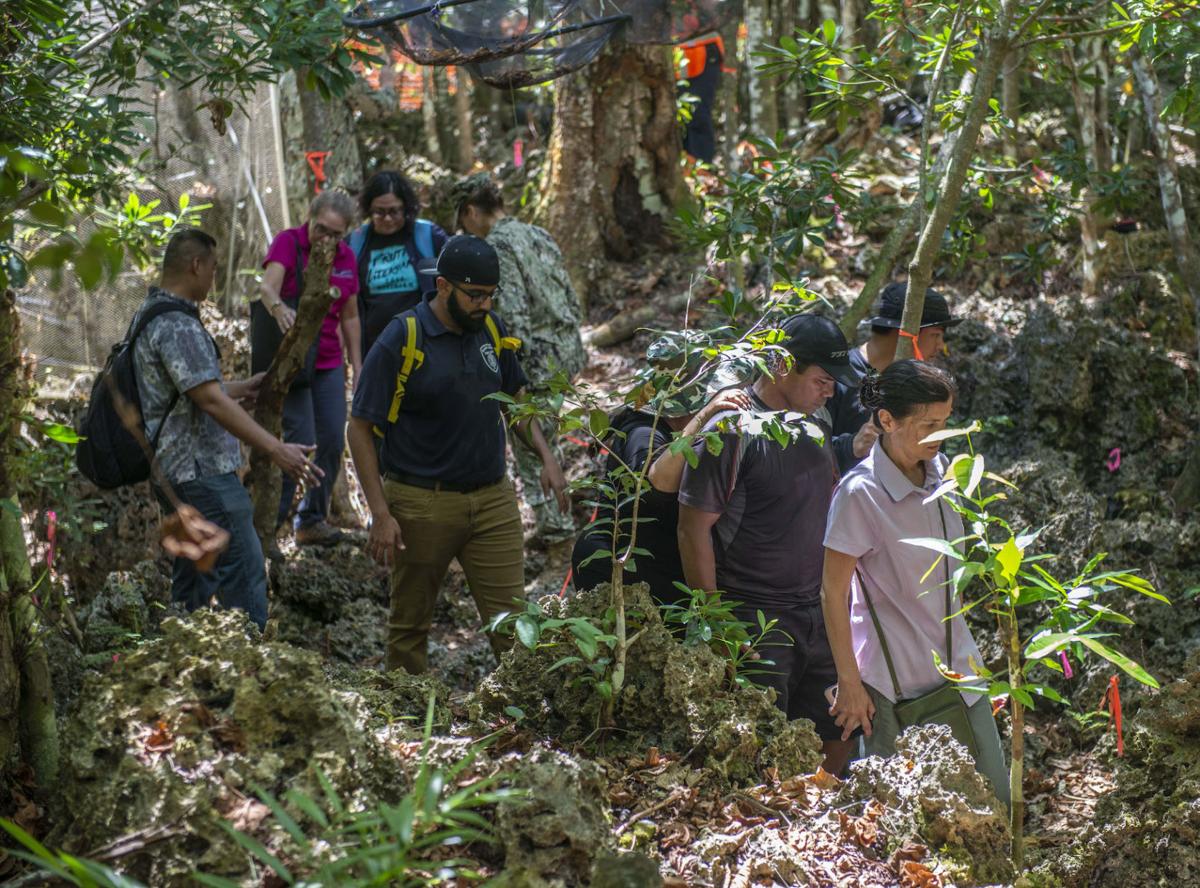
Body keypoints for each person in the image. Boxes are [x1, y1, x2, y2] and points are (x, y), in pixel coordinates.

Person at [347, 235, 569, 674]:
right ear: (443, 286)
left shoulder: (492, 330)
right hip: (419, 502)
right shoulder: (402, 337)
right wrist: (380, 513)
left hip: (493, 500)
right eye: (475, 295)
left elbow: (516, 398)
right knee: (410, 625)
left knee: (514, 622)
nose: (484, 304)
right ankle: (408, 716)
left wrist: (547, 457)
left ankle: (523, 715)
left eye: (490, 295)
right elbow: (359, 428)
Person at [821, 360, 1010, 807]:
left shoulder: (943, 471)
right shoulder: (858, 495)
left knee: (994, 802)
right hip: (891, 686)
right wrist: (849, 682)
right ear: (887, 420)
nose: (939, 435)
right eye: (929, 424)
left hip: (960, 671)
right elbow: (832, 592)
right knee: (899, 818)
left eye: (945, 423)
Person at [677, 314, 859, 773]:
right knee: (755, 751)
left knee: (838, 731)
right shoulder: (732, 429)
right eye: (821, 380)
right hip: (754, 618)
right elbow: (692, 528)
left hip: (817, 614)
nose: (830, 392)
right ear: (781, 366)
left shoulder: (815, 424)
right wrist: (716, 624)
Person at [133, 228, 322, 628]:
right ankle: (244, 669)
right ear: (196, 265)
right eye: (214, 269)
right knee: (243, 569)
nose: (214, 279)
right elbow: (209, 400)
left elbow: (192, 389)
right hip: (200, 474)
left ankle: (183, 663)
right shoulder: (176, 323)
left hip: (178, 472)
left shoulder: (152, 313)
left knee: (195, 574)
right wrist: (275, 448)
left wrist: (238, 389)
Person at [452, 172, 586, 550]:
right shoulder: (537, 233)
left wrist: (509, 367)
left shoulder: (495, 247)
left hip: (537, 361)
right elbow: (569, 297)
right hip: (565, 351)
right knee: (551, 442)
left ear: (472, 211)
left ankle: (558, 533)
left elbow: (513, 319)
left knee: (532, 446)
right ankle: (561, 520)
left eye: (463, 221)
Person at [571, 333, 750, 605]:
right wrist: (704, 417)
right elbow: (658, 482)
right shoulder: (643, 431)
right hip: (620, 570)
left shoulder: (669, 427)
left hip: (653, 563)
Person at [258, 190, 361, 547]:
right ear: (310, 218)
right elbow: (267, 287)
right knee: (300, 443)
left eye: (336, 234)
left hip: (329, 362)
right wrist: (279, 309)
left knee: (333, 438)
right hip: (293, 362)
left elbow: (350, 315)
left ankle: (311, 520)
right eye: (322, 229)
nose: (327, 239)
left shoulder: (347, 257)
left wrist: (356, 364)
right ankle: (270, 527)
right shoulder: (288, 243)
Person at [826, 282, 962, 474]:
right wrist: (851, 446)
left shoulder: (921, 386)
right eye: (935, 335)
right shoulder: (835, 378)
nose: (941, 345)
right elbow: (801, 451)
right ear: (906, 333)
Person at [351, 169, 449, 358]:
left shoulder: (429, 235)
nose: (387, 219)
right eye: (379, 212)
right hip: (376, 350)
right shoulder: (355, 242)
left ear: (406, 208)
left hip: (426, 347)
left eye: (394, 211)